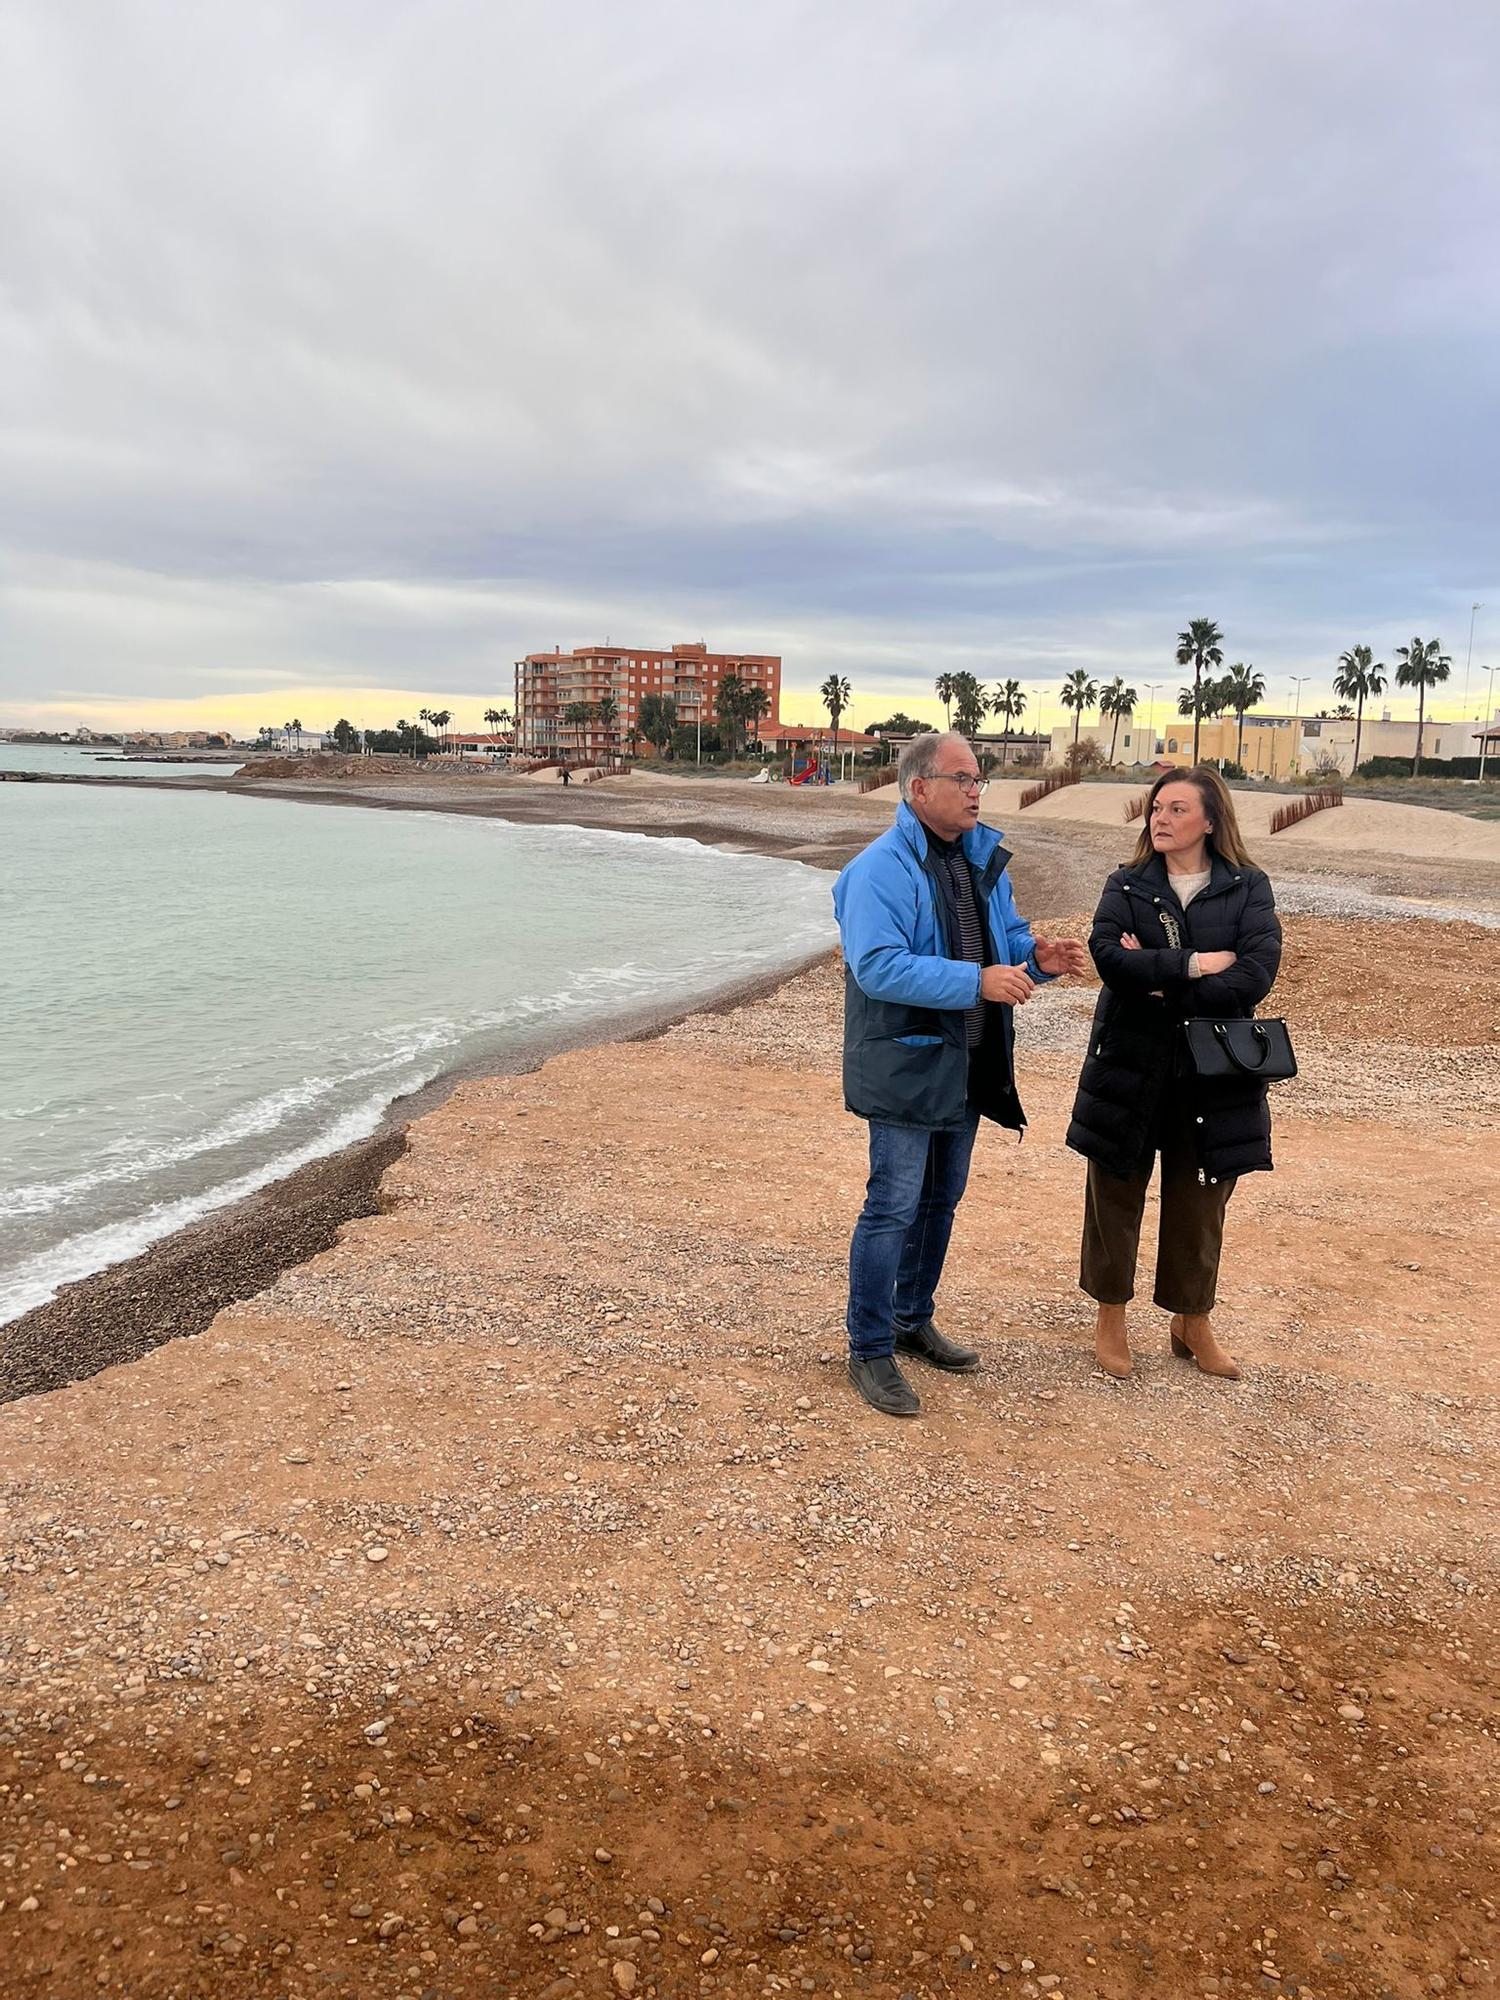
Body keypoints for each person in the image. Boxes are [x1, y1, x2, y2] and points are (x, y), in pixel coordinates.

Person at [833, 731, 1088, 1417]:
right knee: (892, 1205)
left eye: (980, 779)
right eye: (963, 778)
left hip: (967, 1061)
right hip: (906, 1059)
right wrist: (978, 979)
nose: (978, 790)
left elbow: (999, 942)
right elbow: (877, 965)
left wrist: (1039, 958)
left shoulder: (979, 861)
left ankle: (912, 1318)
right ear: (919, 789)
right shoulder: (879, 869)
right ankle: (869, 1346)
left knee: (941, 1200)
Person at [1065, 765, 1283, 1382]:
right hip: (1130, 1061)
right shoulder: (1127, 883)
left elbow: (1257, 974)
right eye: (1157, 808)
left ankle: (1192, 1318)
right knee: (1115, 1187)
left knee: (1201, 1196)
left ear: (1211, 821)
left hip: (1212, 1069)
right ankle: (1111, 1315)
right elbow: (1109, 960)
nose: (1160, 818)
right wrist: (1194, 965)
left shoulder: (1248, 886)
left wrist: (1160, 981)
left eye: (1177, 810)